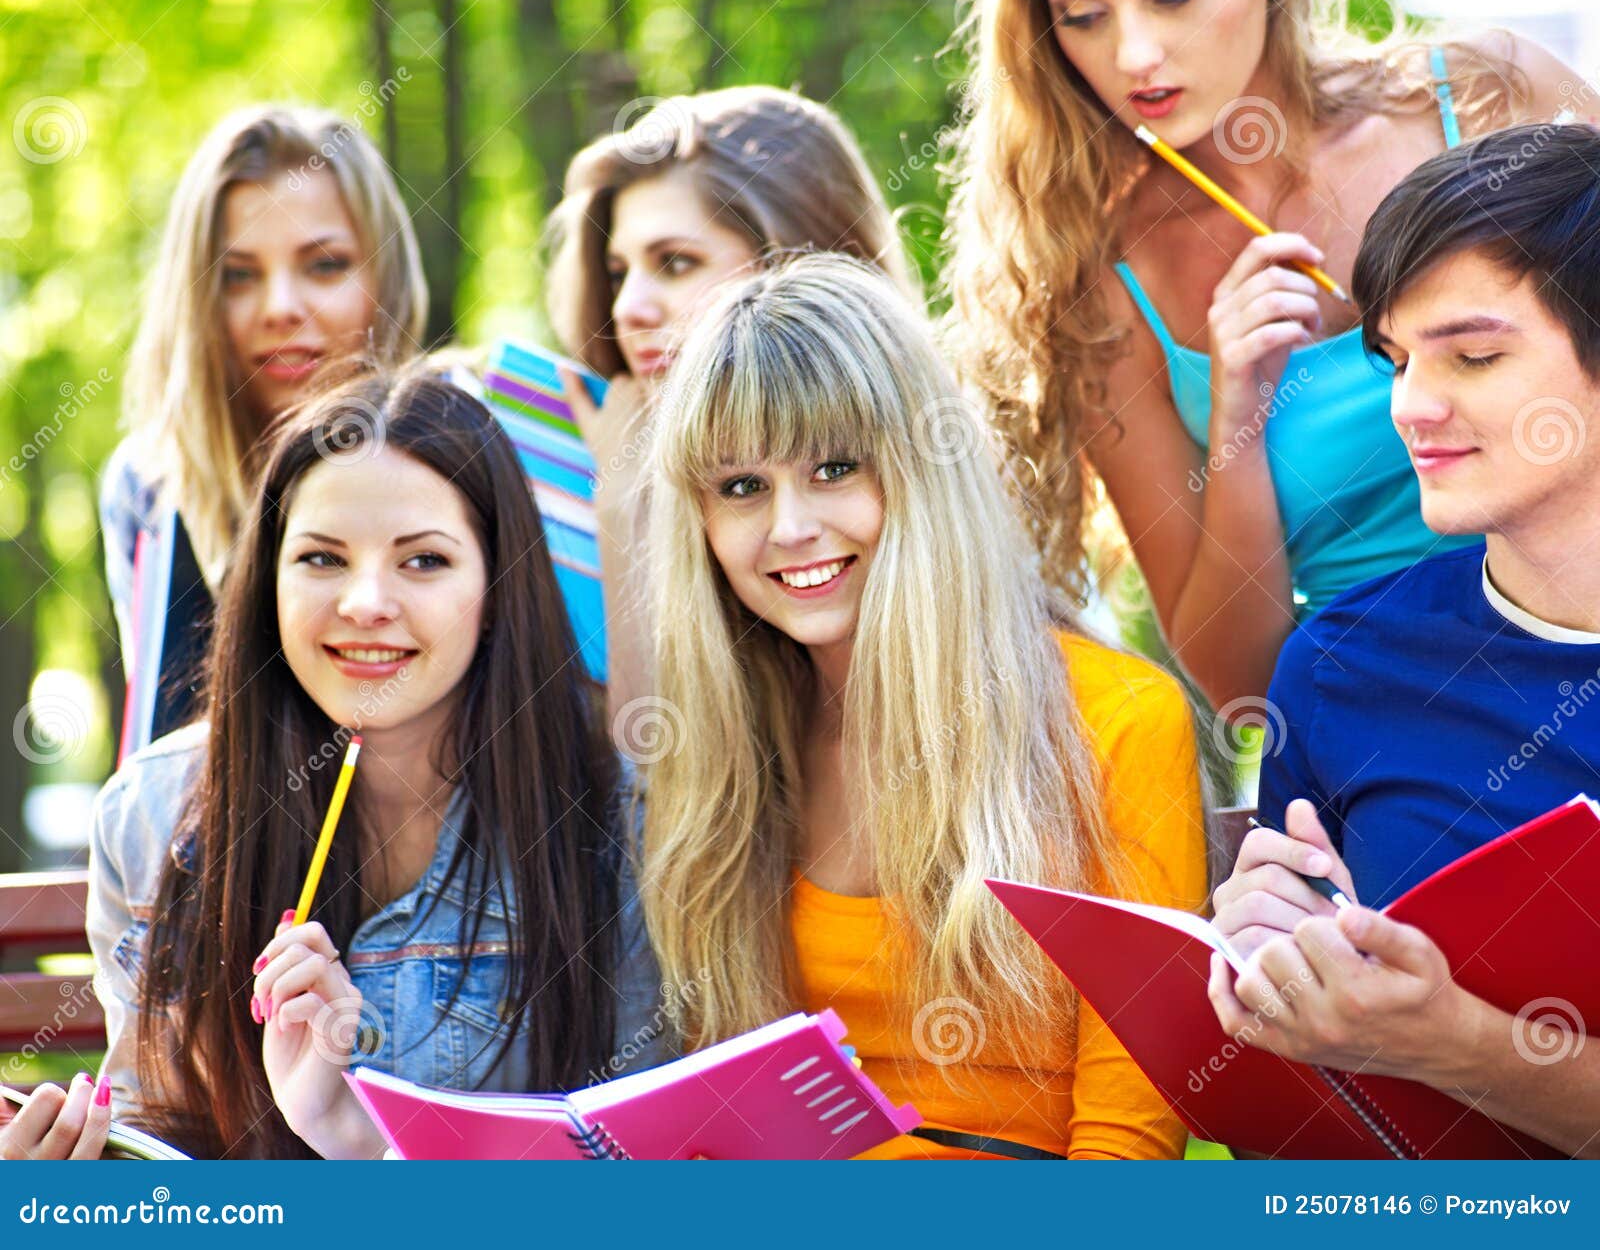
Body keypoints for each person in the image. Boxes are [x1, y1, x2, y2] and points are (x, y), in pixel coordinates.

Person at [7, 366, 660, 1159]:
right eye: (322, 559)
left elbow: (645, 1170)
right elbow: (159, 1157)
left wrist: (349, 1138)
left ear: (497, 589)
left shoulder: (620, 814)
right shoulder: (152, 814)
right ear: (267, 584)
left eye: (423, 561)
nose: (365, 602)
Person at [639, 252, 1208, 1159]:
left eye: (833, 468)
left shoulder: (1120, 720)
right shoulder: (723, 750)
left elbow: (1127, 1152)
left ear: (921, 471)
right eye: (741, 487)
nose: (789, 527)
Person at [942, 0, 1597, 708]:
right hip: (1391, 725)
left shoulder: (1494, 96)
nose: (1133, 54)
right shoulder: (1099, 287)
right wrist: (1237, 421)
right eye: (1083, 15)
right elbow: (1238, 686)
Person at [1209, 124, 1600, 1159]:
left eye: (1471, 354)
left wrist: (1462, 1045)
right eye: (1393, 358)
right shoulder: (1340, 666)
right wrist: (1268, 976)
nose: (1410, 407)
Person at [541, 85, 916, 714]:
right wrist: (621, 502)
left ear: (799, 261)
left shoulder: (943, 455)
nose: (628, 309)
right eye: (616, 272)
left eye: (676, 262)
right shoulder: (559, 466)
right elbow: (645, 794)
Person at [100, 104, 427, 737]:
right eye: (238, 275)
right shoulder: (147, 488)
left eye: (324, 265)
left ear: (384, 278)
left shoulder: (471, 462)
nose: (280, 307)